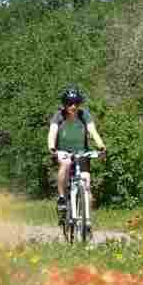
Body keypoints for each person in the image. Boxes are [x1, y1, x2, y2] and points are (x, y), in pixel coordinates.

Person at [47, 87, 107, 224]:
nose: (73, 106)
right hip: (63, 152)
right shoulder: (59, 116)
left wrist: (101, 146)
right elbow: (52, 133)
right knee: (66, 163)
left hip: (81, 152)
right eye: (69, 103)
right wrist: (52, 147)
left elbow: (93, 131)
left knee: (86, 184)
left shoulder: (84, 115)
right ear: (64, 104)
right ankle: (62, 198)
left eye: (76, 103)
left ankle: (87, 221)